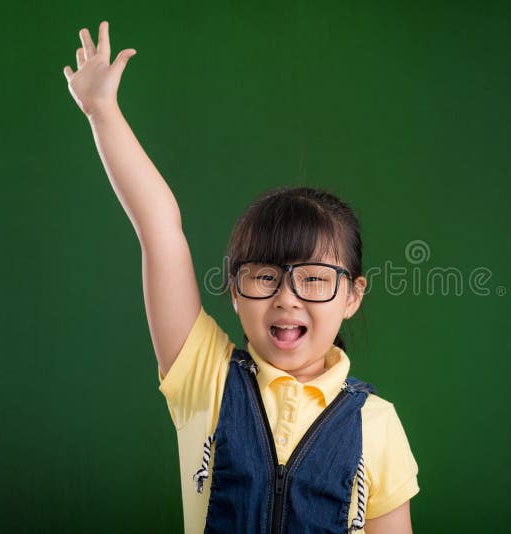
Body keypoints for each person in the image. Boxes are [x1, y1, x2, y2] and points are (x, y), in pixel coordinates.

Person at [63, 21, 419, 534]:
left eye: (315, 279)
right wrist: (102, 111)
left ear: (352, 295)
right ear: (234, 291)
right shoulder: (203, 378)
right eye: (264, 276)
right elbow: (161, 230)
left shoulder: (376, 424)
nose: (287, 299)